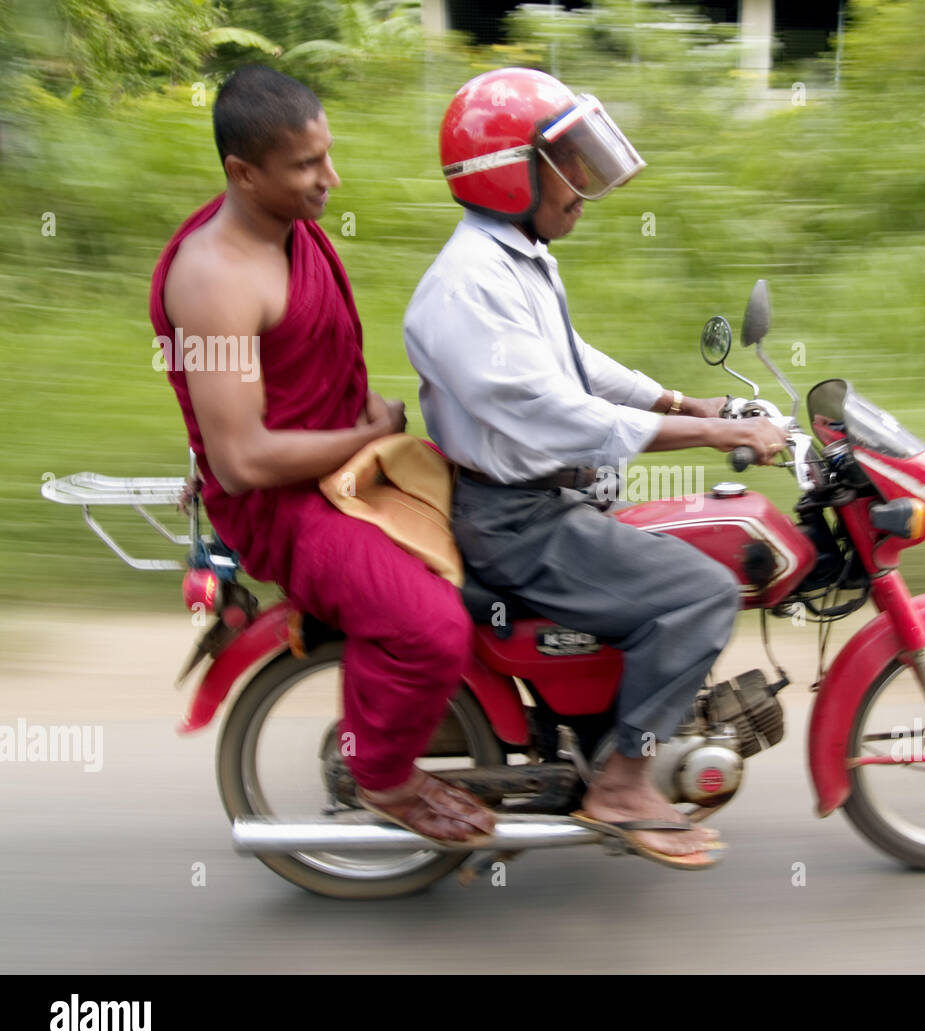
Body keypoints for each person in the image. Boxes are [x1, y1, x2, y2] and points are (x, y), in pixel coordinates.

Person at [404, 68, 786, 869]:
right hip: (520, 521)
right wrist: (706, 439)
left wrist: (689, 403)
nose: (582, 183)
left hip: (543, 504)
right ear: (508, 173)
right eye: (566, 163)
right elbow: (560, 412)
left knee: (691, 546)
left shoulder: (516, 257)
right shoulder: (466, 288)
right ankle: (620, 784)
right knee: (700, 591)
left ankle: (611, 734)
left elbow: (578, 365)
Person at [150, 65, 494, 844]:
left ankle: (438, 720)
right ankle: (384, 778)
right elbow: (242, 462)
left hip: (343, 468)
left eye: (326, 156)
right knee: (430, 627)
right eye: (307, 166)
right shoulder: (214, 281)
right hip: (287, 505)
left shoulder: (285, 230)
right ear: (243, 172)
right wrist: (370, 435)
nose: (329, 180)